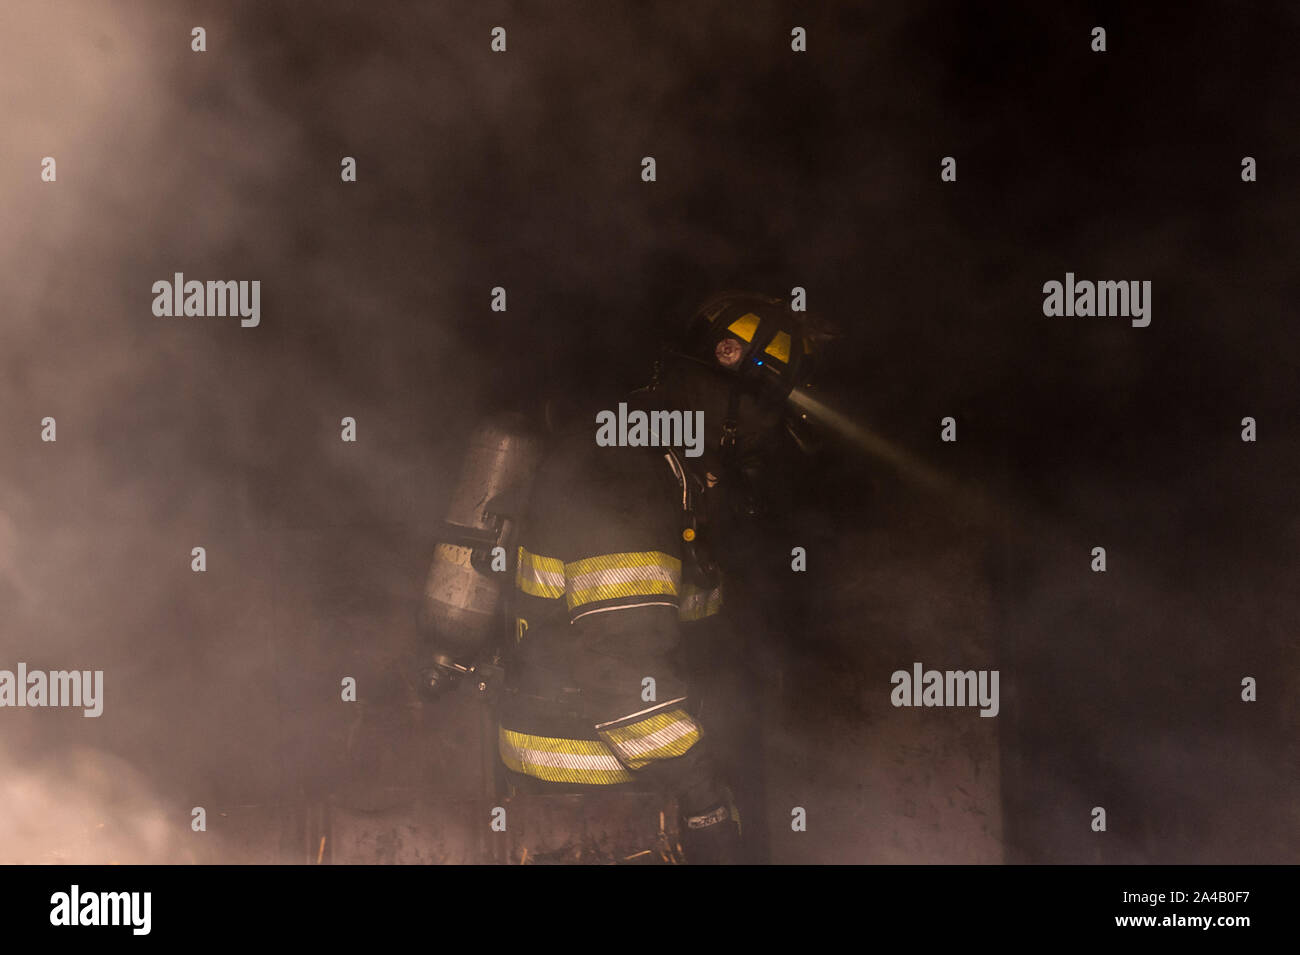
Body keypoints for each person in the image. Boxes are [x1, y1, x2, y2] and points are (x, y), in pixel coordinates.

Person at [496, 290, 831, 863]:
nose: (763, 432)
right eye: (763, 410)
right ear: (726, 388)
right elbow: (620, 673)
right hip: (589, 802)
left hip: (617, 787)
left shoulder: (666, 463)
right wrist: (707, 805)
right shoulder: (630, 473)